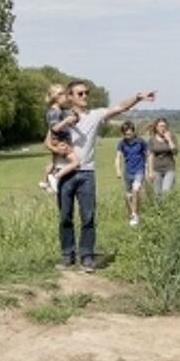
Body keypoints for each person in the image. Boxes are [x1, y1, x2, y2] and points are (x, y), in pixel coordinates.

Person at [56, 81, 156, 273]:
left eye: (87, 93)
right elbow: (48, 138)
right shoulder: (60, 116)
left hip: (87, 173)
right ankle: (67, 256)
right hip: (65, 172)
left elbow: (119, 107)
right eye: (80, 93)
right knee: (64, 216)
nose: (85, 96)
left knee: (88, 216)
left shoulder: (95, 115)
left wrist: (138, 97)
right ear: (70, 97)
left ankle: (86, 257)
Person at [38, 84, 80, 193]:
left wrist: (74, 117)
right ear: (57, 97)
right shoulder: (53, 112)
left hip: (60, 140)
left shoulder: (60, 111)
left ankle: (46, 181)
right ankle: (56, 177)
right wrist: (66, 121)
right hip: (61, 141)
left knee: (54, 162)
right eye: (63, 95)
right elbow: (55, 128)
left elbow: (69, 120)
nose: (65, 98)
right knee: (75, 162)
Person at [113, 120, 148, 226]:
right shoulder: (121, 143)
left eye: (128, 132)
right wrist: (118, 170)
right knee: (128, 196)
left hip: (139, 170)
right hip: (128, 172)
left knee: (135, 190)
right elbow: (118, 157)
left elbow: (148, 155)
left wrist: (147, 168)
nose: (127, 135)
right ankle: (135, 212)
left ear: (133, 131)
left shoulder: (141, 142)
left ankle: (134, 215)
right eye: (124, 133)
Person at [147, 117, 179, 197]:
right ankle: (159, 209)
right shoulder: (152, 139)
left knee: (166, 191)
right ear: (156, 128)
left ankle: (167, 208)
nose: (163, 128)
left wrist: (169, 140)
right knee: (157, 194)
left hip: (169, 168)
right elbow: (150, 156)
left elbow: (175, 152)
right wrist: (150, 172)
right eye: (161, 126)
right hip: (156, 169)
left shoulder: (172, 137)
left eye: (164, 126)